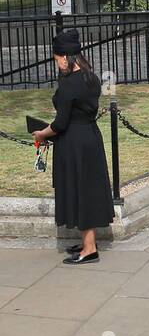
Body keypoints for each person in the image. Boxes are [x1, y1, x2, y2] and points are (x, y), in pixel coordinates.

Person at [32, 27, 114, 264]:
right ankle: (88, 242)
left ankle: (89, 249)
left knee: (80, 191)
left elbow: (59, 124)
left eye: (57, 59)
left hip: (73, 143)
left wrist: (40, 133)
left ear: (66, 57)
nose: (56, 63)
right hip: (90, 137)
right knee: (87, 188)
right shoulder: (91, 77)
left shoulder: (69, 85)